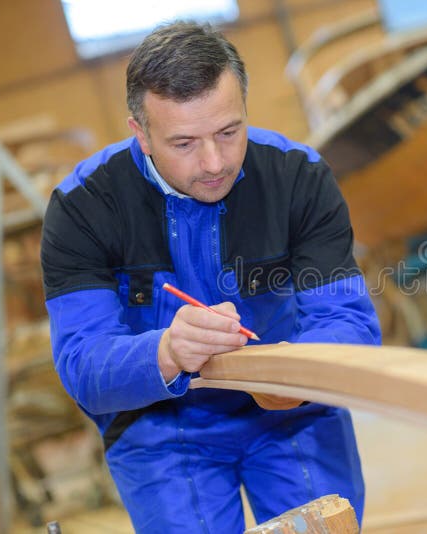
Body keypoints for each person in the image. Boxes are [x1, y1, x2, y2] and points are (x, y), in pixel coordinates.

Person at [40, 21, 380, 533]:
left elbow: (349, 322)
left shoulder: (297, 177)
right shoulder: (83, 206)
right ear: (142, 133)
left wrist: (299, 374)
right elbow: (83, 366)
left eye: (228, 131)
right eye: (184, 142)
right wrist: (167, 351)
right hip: (160, 430)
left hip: (294, 416)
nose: (215, 162)